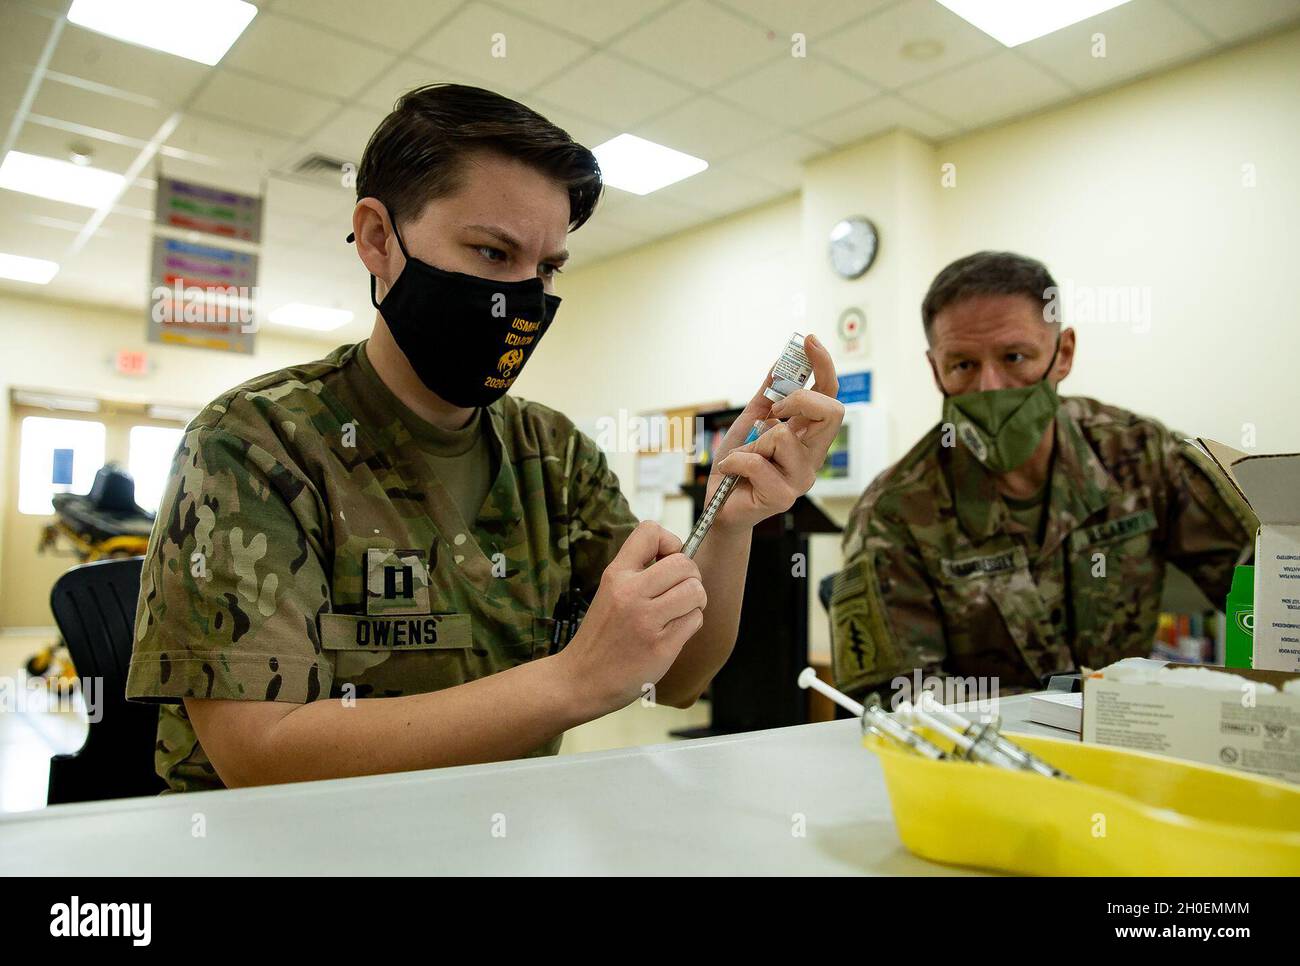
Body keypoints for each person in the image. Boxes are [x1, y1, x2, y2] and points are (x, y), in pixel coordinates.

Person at [126, 84, 844, 791]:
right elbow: (262, 755)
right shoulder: (254, 444)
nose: (524, 296)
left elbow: (680, 678)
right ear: (379, 239)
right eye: (492, 254)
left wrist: (731, 522)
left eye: (549, 266)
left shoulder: (554, 456)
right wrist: (570, 681)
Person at [829, 251, 1255, 699]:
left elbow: (1263, 585)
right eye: (963, 365)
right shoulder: (895, 511)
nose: (990, 387)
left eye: (1014, 357)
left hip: (1131, 740)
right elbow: (893, 697)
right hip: (985, 757)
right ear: (936, 370)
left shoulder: (1140, 455)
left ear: (1063, 354)